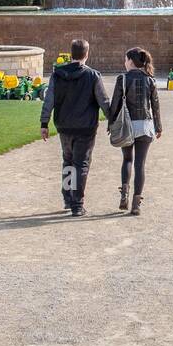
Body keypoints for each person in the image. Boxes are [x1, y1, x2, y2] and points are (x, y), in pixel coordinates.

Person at [39, 39, 110, 216]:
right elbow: (104, 101)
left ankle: (67, 198)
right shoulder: (93, 76)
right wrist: (113, 120)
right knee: (82, 164)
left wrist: (44, 123)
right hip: (85, 128)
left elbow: (49, 101)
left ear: (71, 54)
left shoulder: (58, 74)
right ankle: (77, 204)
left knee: (68, 162)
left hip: (64, 126)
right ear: (87, 54)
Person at [107, 47, 162, 215]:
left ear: (131, 61)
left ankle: (124, 195)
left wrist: (111, 124)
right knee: (140, 164)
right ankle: (136, 204)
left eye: (125, 60)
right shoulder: (150, 80)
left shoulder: (122, 79)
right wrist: (158, 127)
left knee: (127, 160)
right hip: (145, 126)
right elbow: (155, 106)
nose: (124, 63)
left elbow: (115, 104)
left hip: (127, 125)